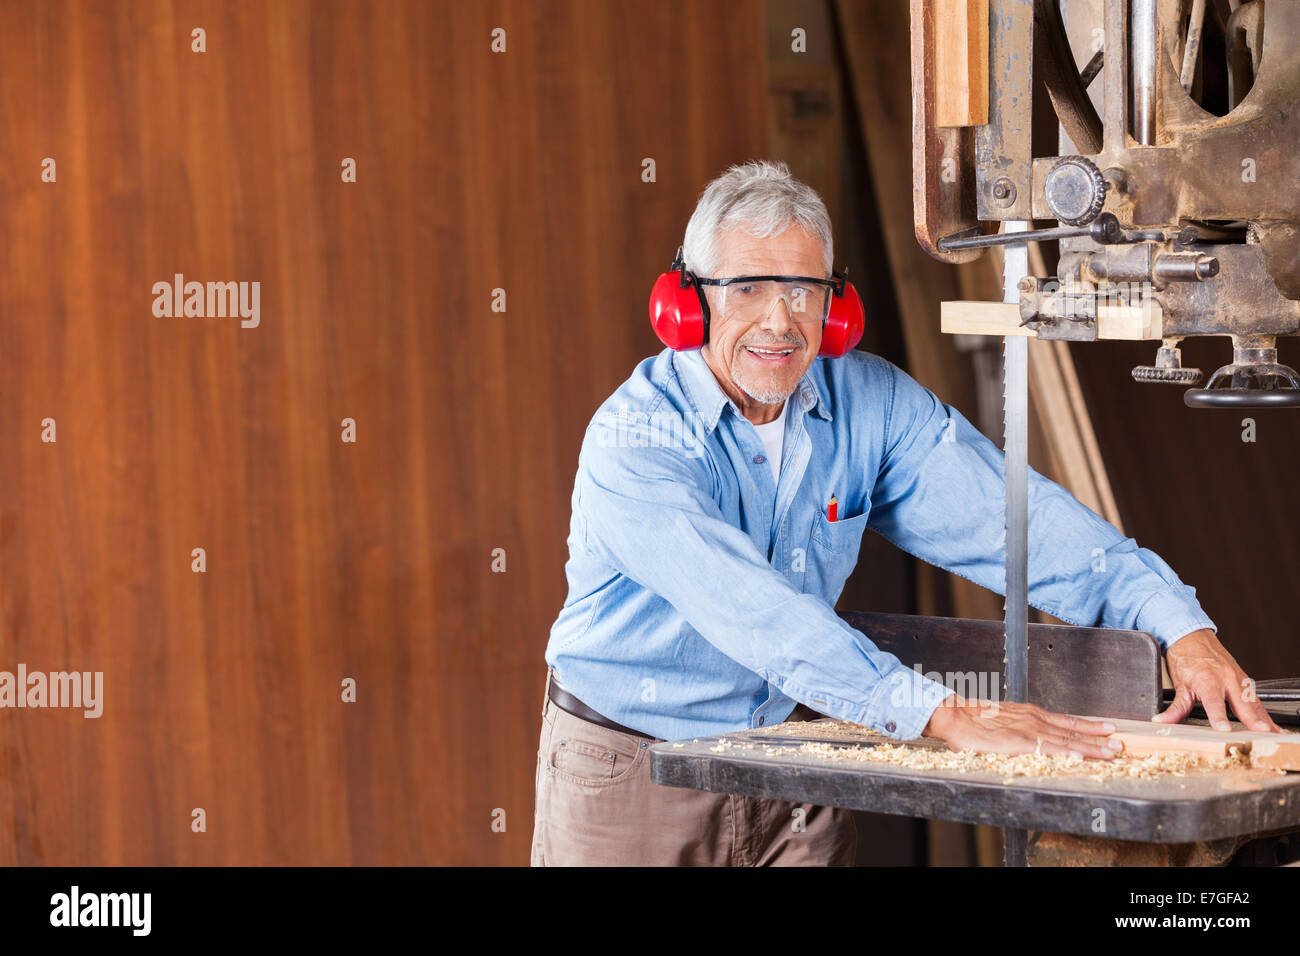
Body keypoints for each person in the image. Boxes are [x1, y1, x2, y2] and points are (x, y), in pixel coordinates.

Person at [530, 160, 1281, 867]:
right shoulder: (637, 438)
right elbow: (749, 610)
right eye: (749, 287)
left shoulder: (871, 405)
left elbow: (1016, 525)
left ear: (837, 304)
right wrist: (944, 715)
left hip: (799, 752)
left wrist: (1173, 620)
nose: (782, 320)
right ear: (688, 300)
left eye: (804, 288)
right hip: (632, 764)